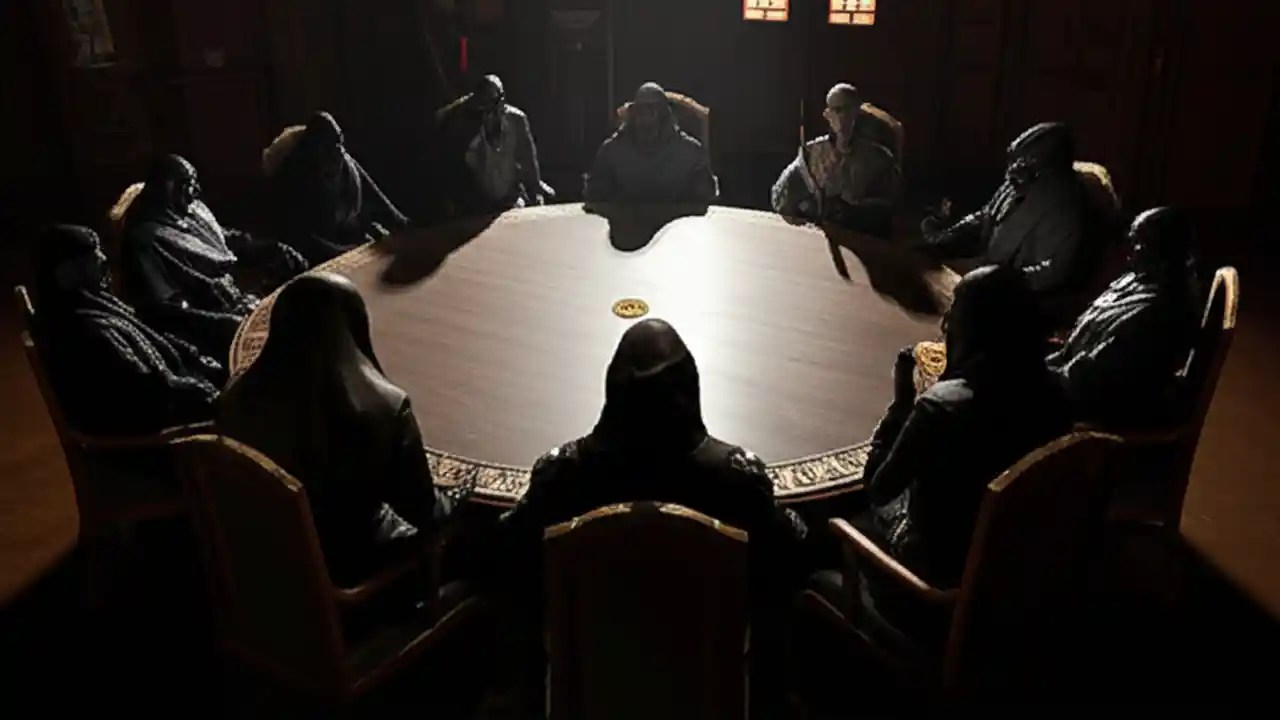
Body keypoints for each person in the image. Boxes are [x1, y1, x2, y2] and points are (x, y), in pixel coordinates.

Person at [499, 317, 805, 712]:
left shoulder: (563, 477)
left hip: (593, 670)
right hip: (709, 672)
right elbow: (789, 553)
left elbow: (508, 547)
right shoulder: (737, 482)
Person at [854, 265, 1071, 637]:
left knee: (830, 527)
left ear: (974, 325)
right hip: (1016, 577)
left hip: (934, 592)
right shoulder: (1059, 392)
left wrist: (902, 403)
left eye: (956, 309)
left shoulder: (942, 408)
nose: (947, 321)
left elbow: (877, 487)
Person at [218, 272, 450, 585]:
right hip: (350, 571)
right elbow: (422, 512)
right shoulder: (384, 409)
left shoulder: (235, 395)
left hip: (261, 566)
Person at [32, 225, 222, 435]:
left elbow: (148, 331)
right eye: (92, 259)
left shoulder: (94, 303)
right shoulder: (83, 332)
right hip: (156, 435)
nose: (103, 262)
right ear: (68, 273)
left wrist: (193, 358)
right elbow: (139, 394)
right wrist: (192, 388)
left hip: (169, 398)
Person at [918, 122, 1109, 328]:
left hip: (1021, 301)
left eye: (1025, 162)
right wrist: (942, 239)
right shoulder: (1017, 184)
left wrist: (991, 282)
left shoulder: (1068, 207)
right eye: (1015, 160)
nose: (1014, 169)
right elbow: (984, 217)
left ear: (1046, 167)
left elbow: (1052, 273)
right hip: (987, 276)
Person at [1048, 207, 1203, 430]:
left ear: (1165, 251)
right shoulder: (1140, 277)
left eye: (1140, 241)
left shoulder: (1155, 314)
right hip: (1071, 376)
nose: (1129, 249)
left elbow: (1089, 385)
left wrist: (1034, 375)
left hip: (1088, 412)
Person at [119, 155, 261, 362]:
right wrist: (223, 322)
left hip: (231, 304)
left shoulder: (188, 216)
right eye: (186, 185)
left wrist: (264, 248)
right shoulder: (145, 240)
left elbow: (224, 240)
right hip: (199, 330)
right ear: (168, 188)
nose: (193, 195)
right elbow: (164, 311)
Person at [263, 111, 411, 265]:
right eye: (327, 147)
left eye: (339, 143)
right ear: (312, 149)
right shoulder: (296, 179)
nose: (337, 151)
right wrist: (349, 252)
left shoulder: (346, 163)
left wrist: (404, 225)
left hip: (345, 238)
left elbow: (378, 200)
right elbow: (302, 239)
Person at [771, 83, 902, 237]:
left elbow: (891, 207)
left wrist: (855, 212)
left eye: (849, 110)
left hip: (859, 238)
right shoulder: (812, 153)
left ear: (857, 113)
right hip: (821, 236)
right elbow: (781, 198)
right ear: (827, 114)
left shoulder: (878, 157)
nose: (843, 117)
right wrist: (811, 207)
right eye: (838, 110)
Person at [436, 74, 553, 215]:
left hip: (509, 197)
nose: (489, 115)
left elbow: (528, 158)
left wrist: (535, 189)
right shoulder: (461, 125)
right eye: (483, 109)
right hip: (475, 202)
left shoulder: (517, 121)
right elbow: (448, 163)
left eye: (492, 108)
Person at [582, 83, 718, 204]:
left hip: (674, 228)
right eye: (641, 110)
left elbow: (706, 196)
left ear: (666, 115)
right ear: (633, 114)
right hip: (627, 225)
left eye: (653, 110)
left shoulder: (690, 152)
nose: (646, 117)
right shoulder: (612, 151)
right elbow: (595, 195)